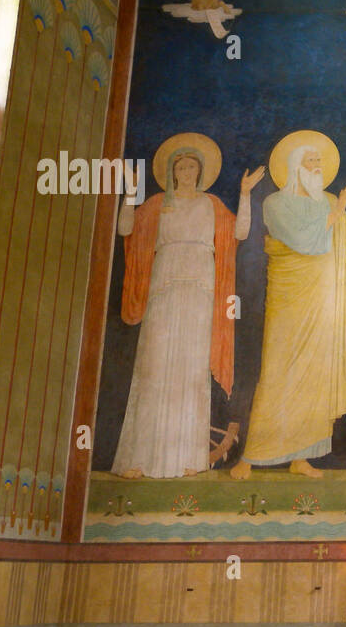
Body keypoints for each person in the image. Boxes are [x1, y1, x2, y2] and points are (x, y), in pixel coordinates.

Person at [230, 132, 346, 478]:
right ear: (294, 167)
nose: (316, 167)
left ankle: (301, 457)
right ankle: (250, 456)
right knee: (278, 370)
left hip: (323, 297)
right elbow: (304, 241)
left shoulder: (329, 200)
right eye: (310, 161)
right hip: (290, 297)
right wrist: (338, 212)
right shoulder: (276, 204)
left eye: (319, 162)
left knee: (317, 374)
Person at [113, 133, 263, 478]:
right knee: (154, 367)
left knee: (191, 369)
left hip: (200, 287)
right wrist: (131, 192)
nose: (185, 171)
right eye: (180, 166)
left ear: (200, 172)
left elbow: (239, 233)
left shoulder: (211, 204)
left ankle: (188, 460)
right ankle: (139, 460)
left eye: (192, 166)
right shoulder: (156, 204)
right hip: (164, 284)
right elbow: (125, 228)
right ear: (171, 171)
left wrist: (244, 194)